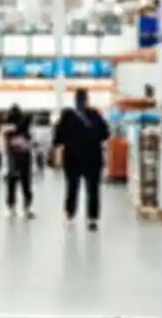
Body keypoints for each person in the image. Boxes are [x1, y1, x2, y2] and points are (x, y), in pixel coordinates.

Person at [53, 89, 111, 230]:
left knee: (72, 187)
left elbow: (57, 138)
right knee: (92, 189)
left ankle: (69, 215)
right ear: (87, 99)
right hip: (92, 157)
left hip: (72, 158)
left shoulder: (67, 117)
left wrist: (60, 150)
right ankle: (92, 218)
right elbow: (105, 134)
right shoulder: (94, 116)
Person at [3, 104, 35, 218]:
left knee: (12, 183)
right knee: (26, 183)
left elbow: (6, 143)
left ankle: (11, 207)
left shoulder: (8, 130)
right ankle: (26, 208)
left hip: (13, 159)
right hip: (25, 158)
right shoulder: (25, 129)